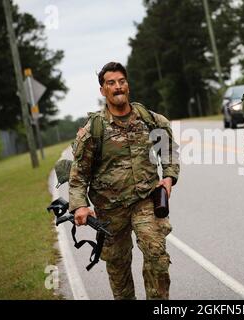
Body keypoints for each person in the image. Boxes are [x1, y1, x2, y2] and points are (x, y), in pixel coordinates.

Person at [68, 62, 180, 300]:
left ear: (128, 85)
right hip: (110, 211)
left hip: (146, 201)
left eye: (121, 81)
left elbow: (168, 151)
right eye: (111, 83)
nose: (118, 87)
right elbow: (78, 175)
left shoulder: (149, 120)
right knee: (118, 268)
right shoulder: (94, 129)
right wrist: (79, 205)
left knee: (156, 255)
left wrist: (168, 178)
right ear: (103, 90)